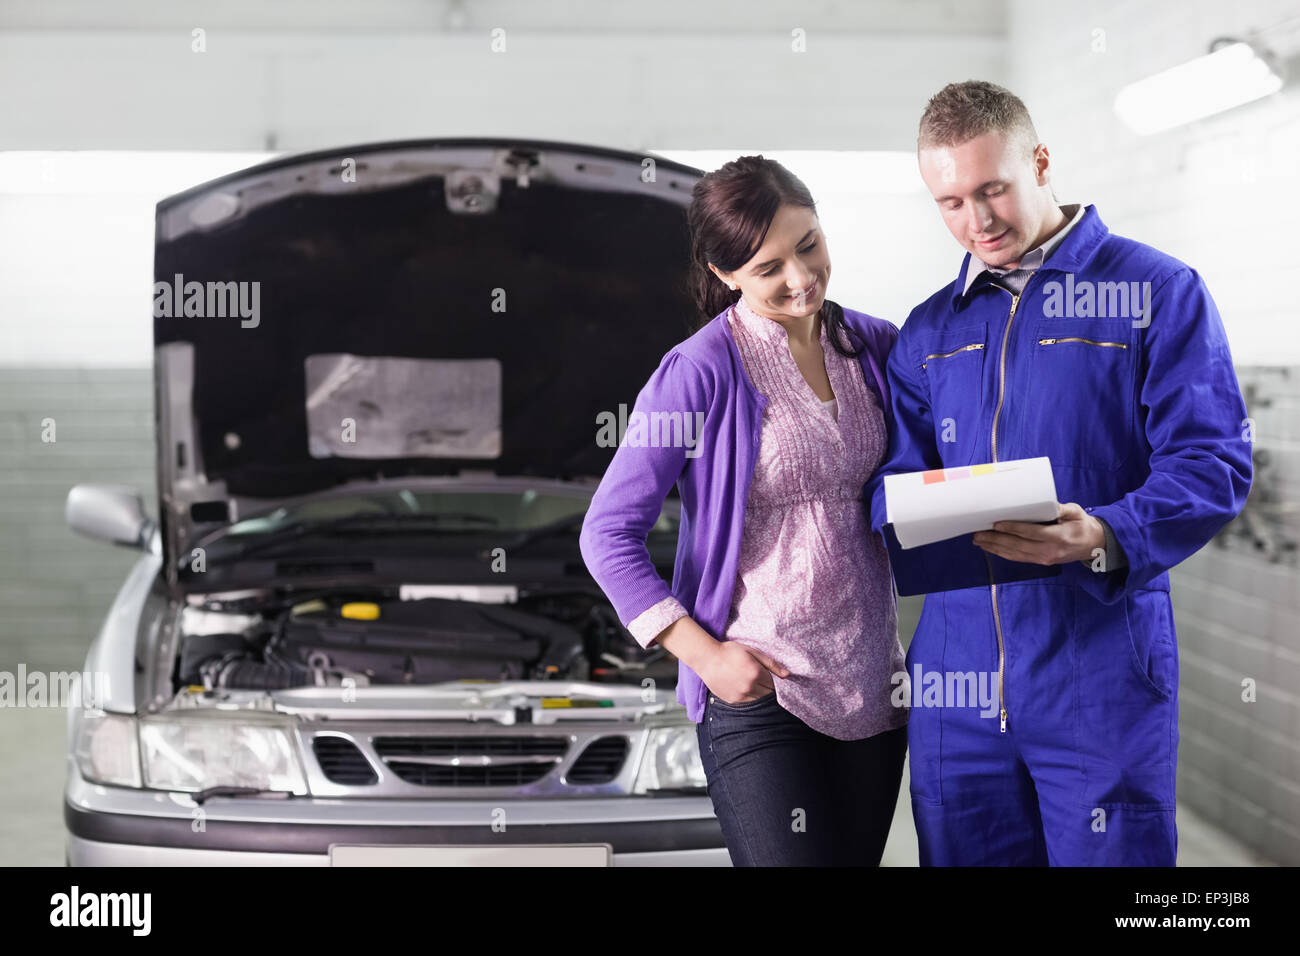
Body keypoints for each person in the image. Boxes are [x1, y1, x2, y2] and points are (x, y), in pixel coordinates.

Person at [865, 80, 1253, 866]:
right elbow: (893, 479)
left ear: (1041, 163)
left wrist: (1108, 531)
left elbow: (1212, 460)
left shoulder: (1154, 293)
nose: (976, 222)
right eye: (949, 202)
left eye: (992, 189)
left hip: (1099, 672)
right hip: (957, 681)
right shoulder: (931, 328)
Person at [579, 155, 908, 866]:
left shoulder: (875, 347)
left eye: (810, 244)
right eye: (769, 268)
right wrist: (706, 656)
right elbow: (608, 533)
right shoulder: (698, 372)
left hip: (872, 691)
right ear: (724, 273)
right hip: (758, 693)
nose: (801, 278)